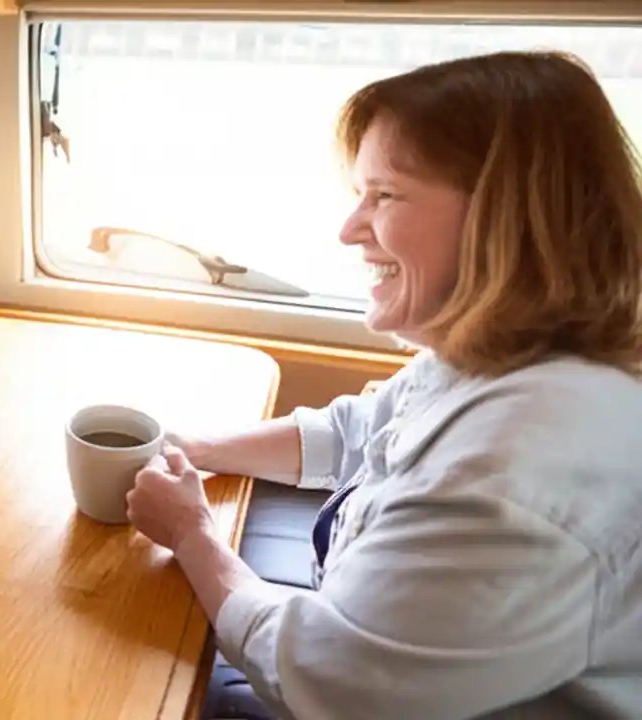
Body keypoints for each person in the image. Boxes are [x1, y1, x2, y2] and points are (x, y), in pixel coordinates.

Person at [127, 51, 642, 720]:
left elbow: (331, 681)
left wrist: (193, 534)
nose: (349, 230)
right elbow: (362, 429)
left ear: (502, 217)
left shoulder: (519, 473)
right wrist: (199, 448)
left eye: (385, 196)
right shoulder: (508, 350)